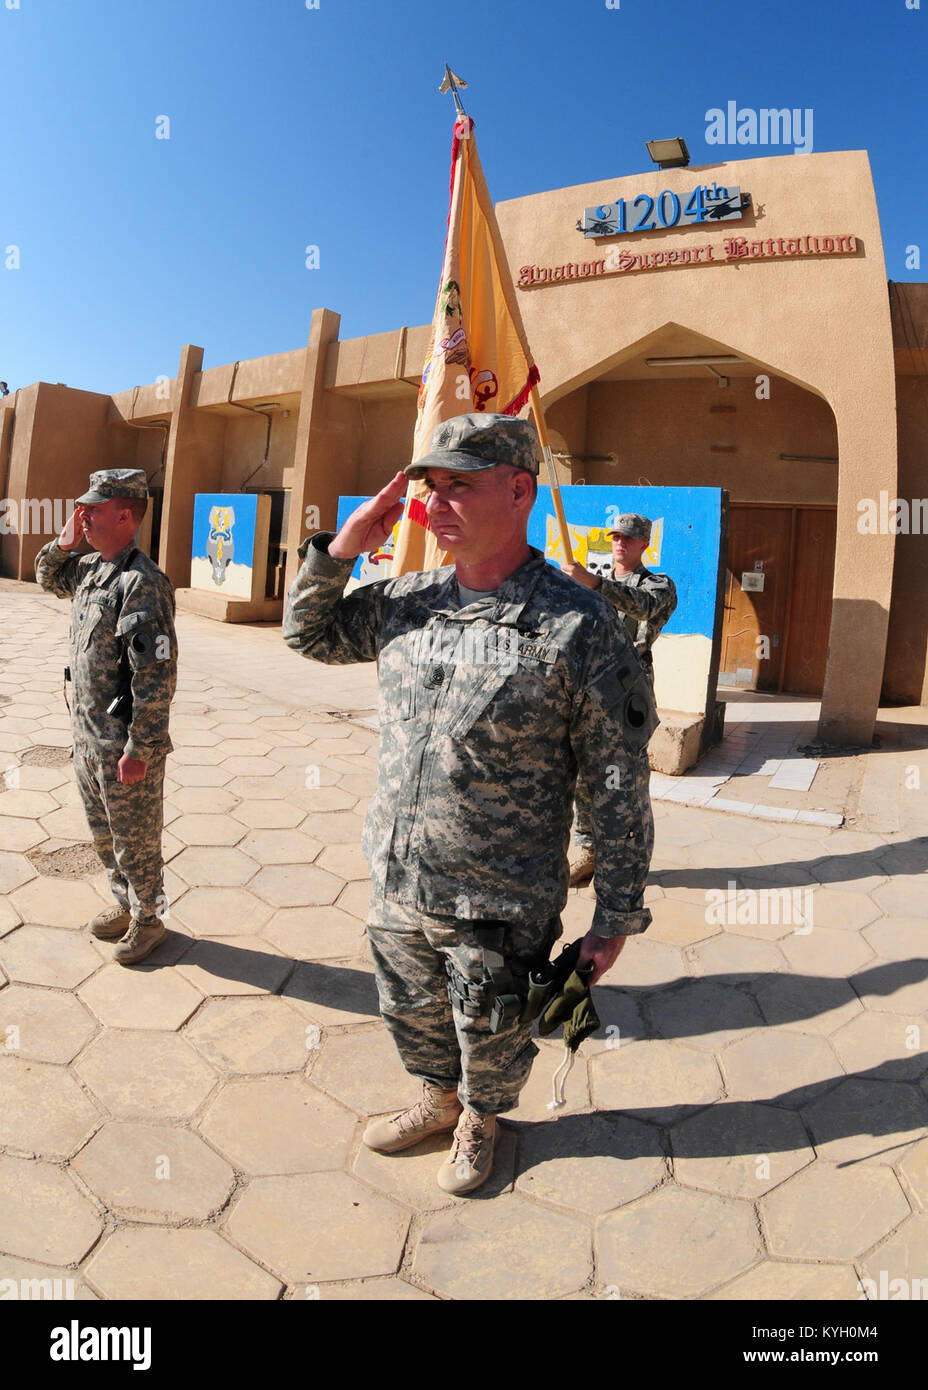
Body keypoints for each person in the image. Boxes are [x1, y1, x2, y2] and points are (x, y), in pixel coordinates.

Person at [283, 413, 657, 1195]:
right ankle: (435, 1092)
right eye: (430, 486)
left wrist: (616, 916)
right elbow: (308, 636)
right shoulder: (408, 600)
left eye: (461, 485)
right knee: (412, 1011)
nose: (436, 503)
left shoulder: (579, 625)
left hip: (499, 897)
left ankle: (482, 1116)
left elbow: (616, 781)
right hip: (398, 876)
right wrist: (344, 546)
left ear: (520, 490)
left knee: (494, 1027)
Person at [34, 469, 177, 965]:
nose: (84, 516)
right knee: (104, 835)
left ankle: (150, 919)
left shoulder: (143, 583)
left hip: (122, 743)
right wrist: (64, 541)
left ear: (125, 515)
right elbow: (46, 577)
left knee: (136, 839)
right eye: (83, 508)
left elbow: (155, 676)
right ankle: (125, 904)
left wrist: (140, 748)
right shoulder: (91, 569)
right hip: (88, 736)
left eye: (94, 509)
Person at [562, 513, 677, 886]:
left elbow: (641, 607)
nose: (620, 544)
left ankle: (626, 861)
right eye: (616, 538)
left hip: (630, 696)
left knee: (626, 780)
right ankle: (589, 850)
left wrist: (591, 583)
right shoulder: (593, 585)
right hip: (589, 692)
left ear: (645, 544)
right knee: (582, 777)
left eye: (629, 539)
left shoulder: (659, 585)